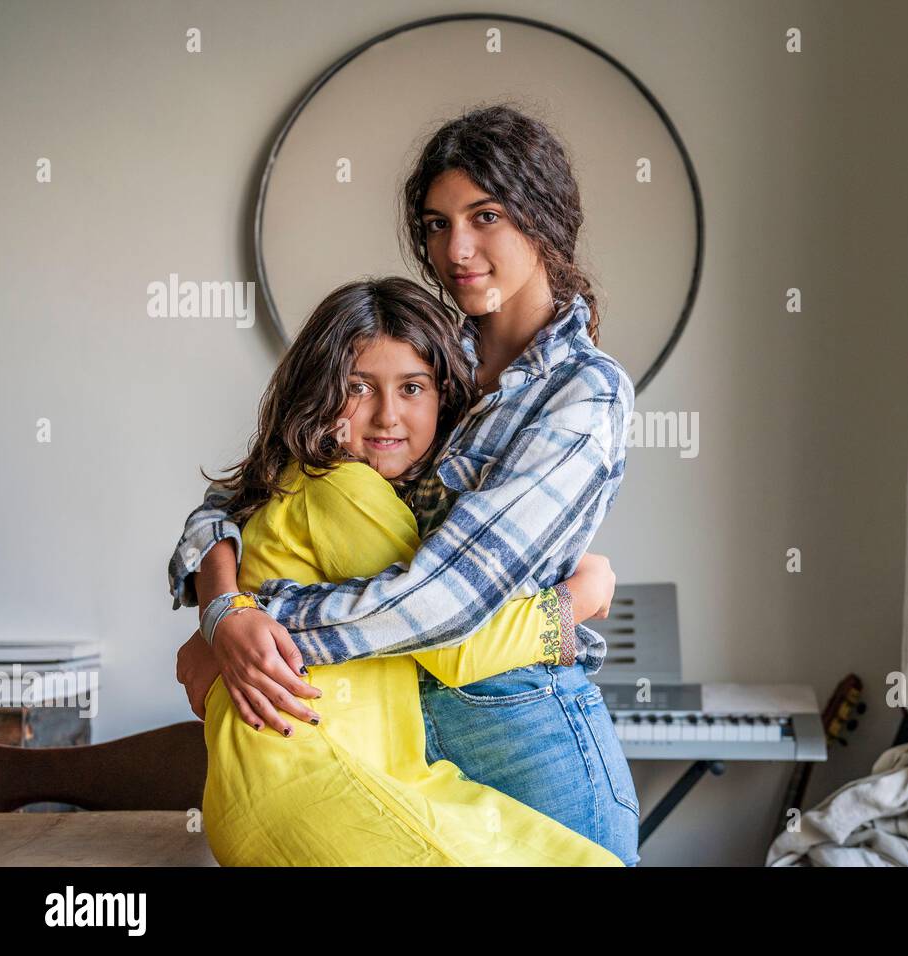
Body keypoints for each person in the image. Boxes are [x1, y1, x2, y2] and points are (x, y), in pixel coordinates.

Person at [172, 105, 641, 865]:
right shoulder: (426, 353)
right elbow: (246, 499)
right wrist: (222, 610)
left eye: (485, 216)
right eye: (435, 223)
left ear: (543, 216)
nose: (456, 248)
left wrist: (264, 628)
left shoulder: (583, 394)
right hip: (405, 751)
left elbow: (442, 605)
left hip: (529, 743)